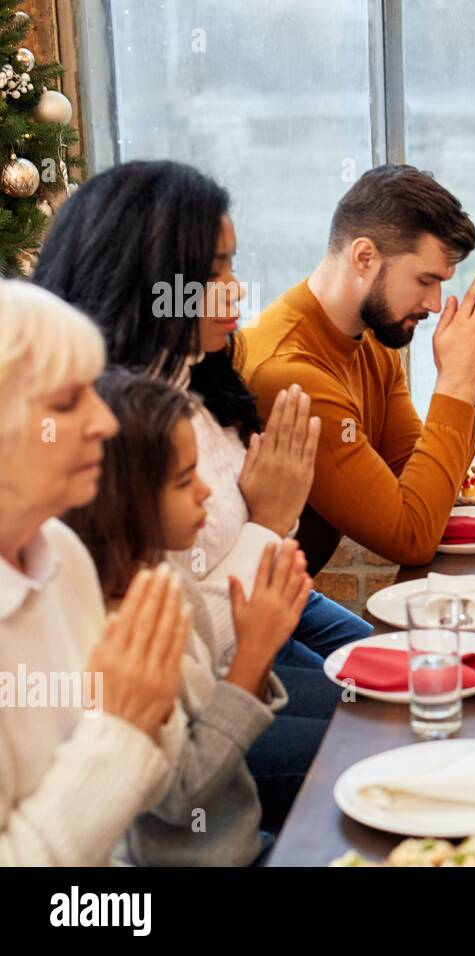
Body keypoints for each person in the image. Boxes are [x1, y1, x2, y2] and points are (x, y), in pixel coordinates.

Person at [31, 159, 372, 667]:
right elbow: (183, 654)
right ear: (146, 277)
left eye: (232, 265)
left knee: (413, 665)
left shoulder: (199, 380)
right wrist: (270, 520)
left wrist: (273, 517)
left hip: (268, 606)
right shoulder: (107, 427)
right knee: (366, 720)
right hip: (214, 657)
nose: (235, 289)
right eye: (213, 272)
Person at [62, 370, 312, 865]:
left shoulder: (168, 581)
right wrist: (254, 656)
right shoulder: (112, 632)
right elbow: (179, 795)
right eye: (183, 481)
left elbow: (204, 703)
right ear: (124, 503)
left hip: (244, 844)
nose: (205, 492)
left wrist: (254, 652)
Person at [240, 164, 475, 574]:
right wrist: (458, 382)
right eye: (425, 280)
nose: (436, 303)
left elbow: (430, 492)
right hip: (249, 612)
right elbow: (411, 537)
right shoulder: (290, 373)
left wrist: (469, 382)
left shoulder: (372, 342)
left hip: (294, 593)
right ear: (364, 257)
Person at [0, 280, 190, 865]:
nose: (104, 422)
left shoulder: (60, 551)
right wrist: (122, 729)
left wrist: (151, 707)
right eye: (65, 404)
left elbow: (144, 788)